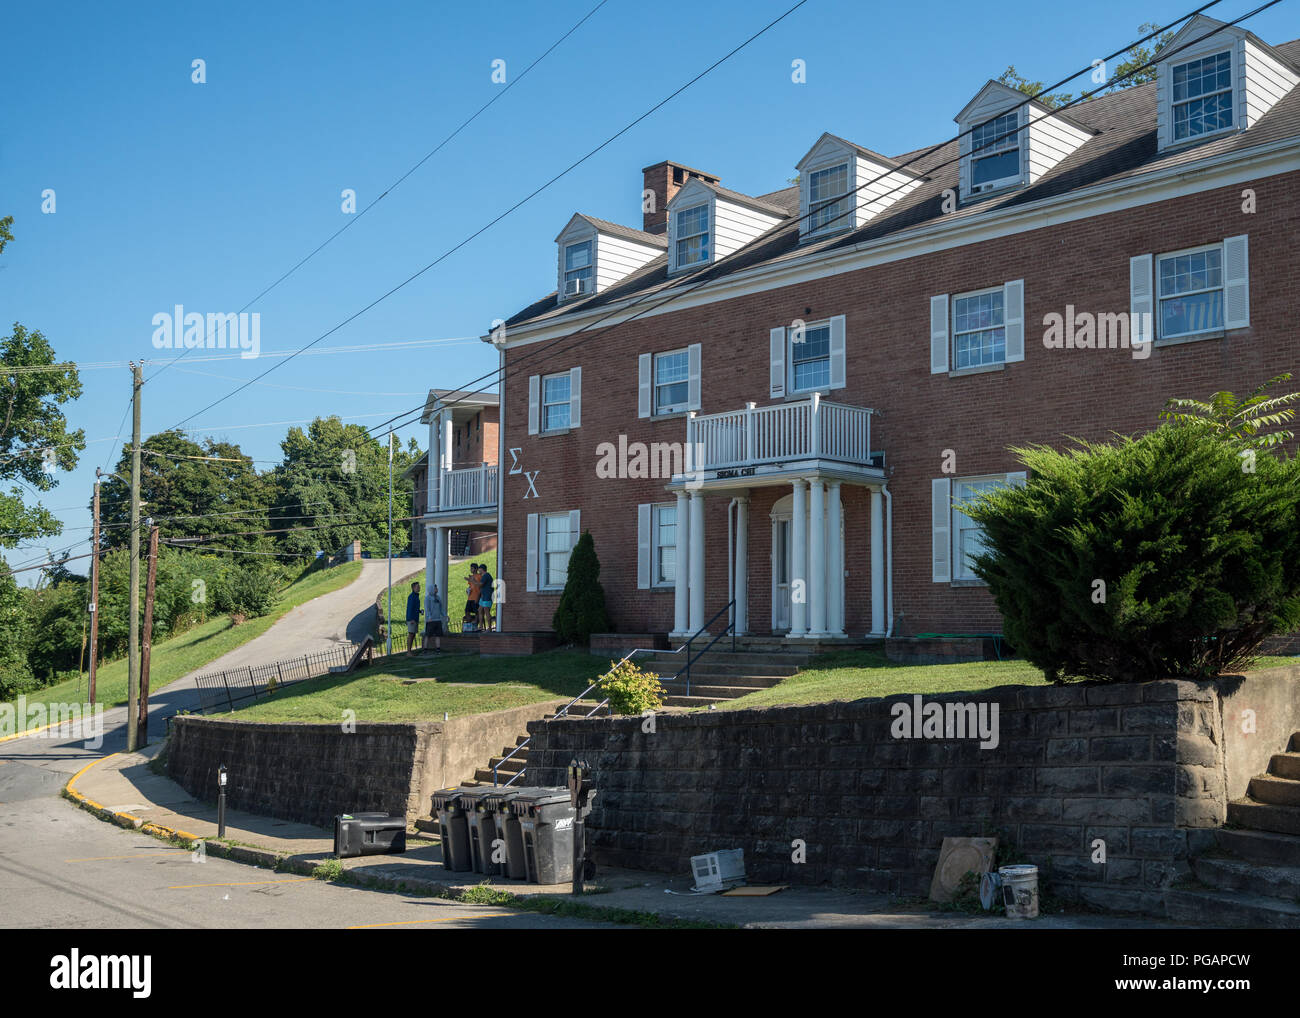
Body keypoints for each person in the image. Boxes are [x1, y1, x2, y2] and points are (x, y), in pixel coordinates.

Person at [424, 584, 445, 652]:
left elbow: (441, 608)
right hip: (430, 620)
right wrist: (429, 617)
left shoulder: (438, 598)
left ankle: (438, 649)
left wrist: (444, 615)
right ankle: (425, 649)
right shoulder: (427, 598)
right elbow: (427, 609)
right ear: (432, 589)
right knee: (428, 635)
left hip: (438, 619)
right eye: (435, 588)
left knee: (438, 635)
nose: (437, 589)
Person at [405, 581, 422, 655]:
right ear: (413, 588)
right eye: (417, 587)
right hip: (412, 619)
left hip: (415, 618)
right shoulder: (412, 596)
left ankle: (410, 651)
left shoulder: (416, 596)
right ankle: (408, 652)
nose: (419, 588)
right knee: (411, 634)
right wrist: (410, 619)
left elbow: (414, 608)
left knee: (413, 634)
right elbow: (409, 608)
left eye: (419, 586)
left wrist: (419, 611)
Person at [477, 564, 494, 632]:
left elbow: (480, 584)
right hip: (483, 596)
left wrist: (473, 581)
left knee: (487, 611)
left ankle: (489, 628)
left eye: (479, 569)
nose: (478, 570)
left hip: (487, 596)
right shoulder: (484, 576)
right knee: (480, 610)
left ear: (482, 569)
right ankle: (481, 626)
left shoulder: (486, 576)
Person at [465, 564, 481, 630]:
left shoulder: (479, 576)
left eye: (472, 568)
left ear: (476, 569)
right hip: (470, 597)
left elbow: (479, 585)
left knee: (476, 611)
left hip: (476, 597)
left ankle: (476, 625)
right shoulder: (471, 576)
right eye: (470, 568)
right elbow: (470, 586)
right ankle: (469, 624)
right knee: (467, 611)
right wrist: (467, 590)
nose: (471, 570)